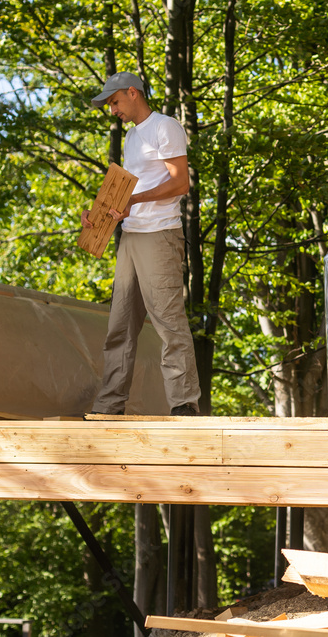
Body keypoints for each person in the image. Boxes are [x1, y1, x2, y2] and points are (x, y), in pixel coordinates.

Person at [82, 72, 201, 416]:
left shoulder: (165, 127)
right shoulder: (133, 138)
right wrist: (98, 214)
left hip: (159, 235)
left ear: (132, 93)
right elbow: (124, 194)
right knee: (120, 325)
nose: (112, 109)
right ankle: (109, 406)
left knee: (168, 323)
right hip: (130, 237)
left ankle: (184, 404)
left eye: (115, 102)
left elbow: (180, 184)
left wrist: (135, 201)